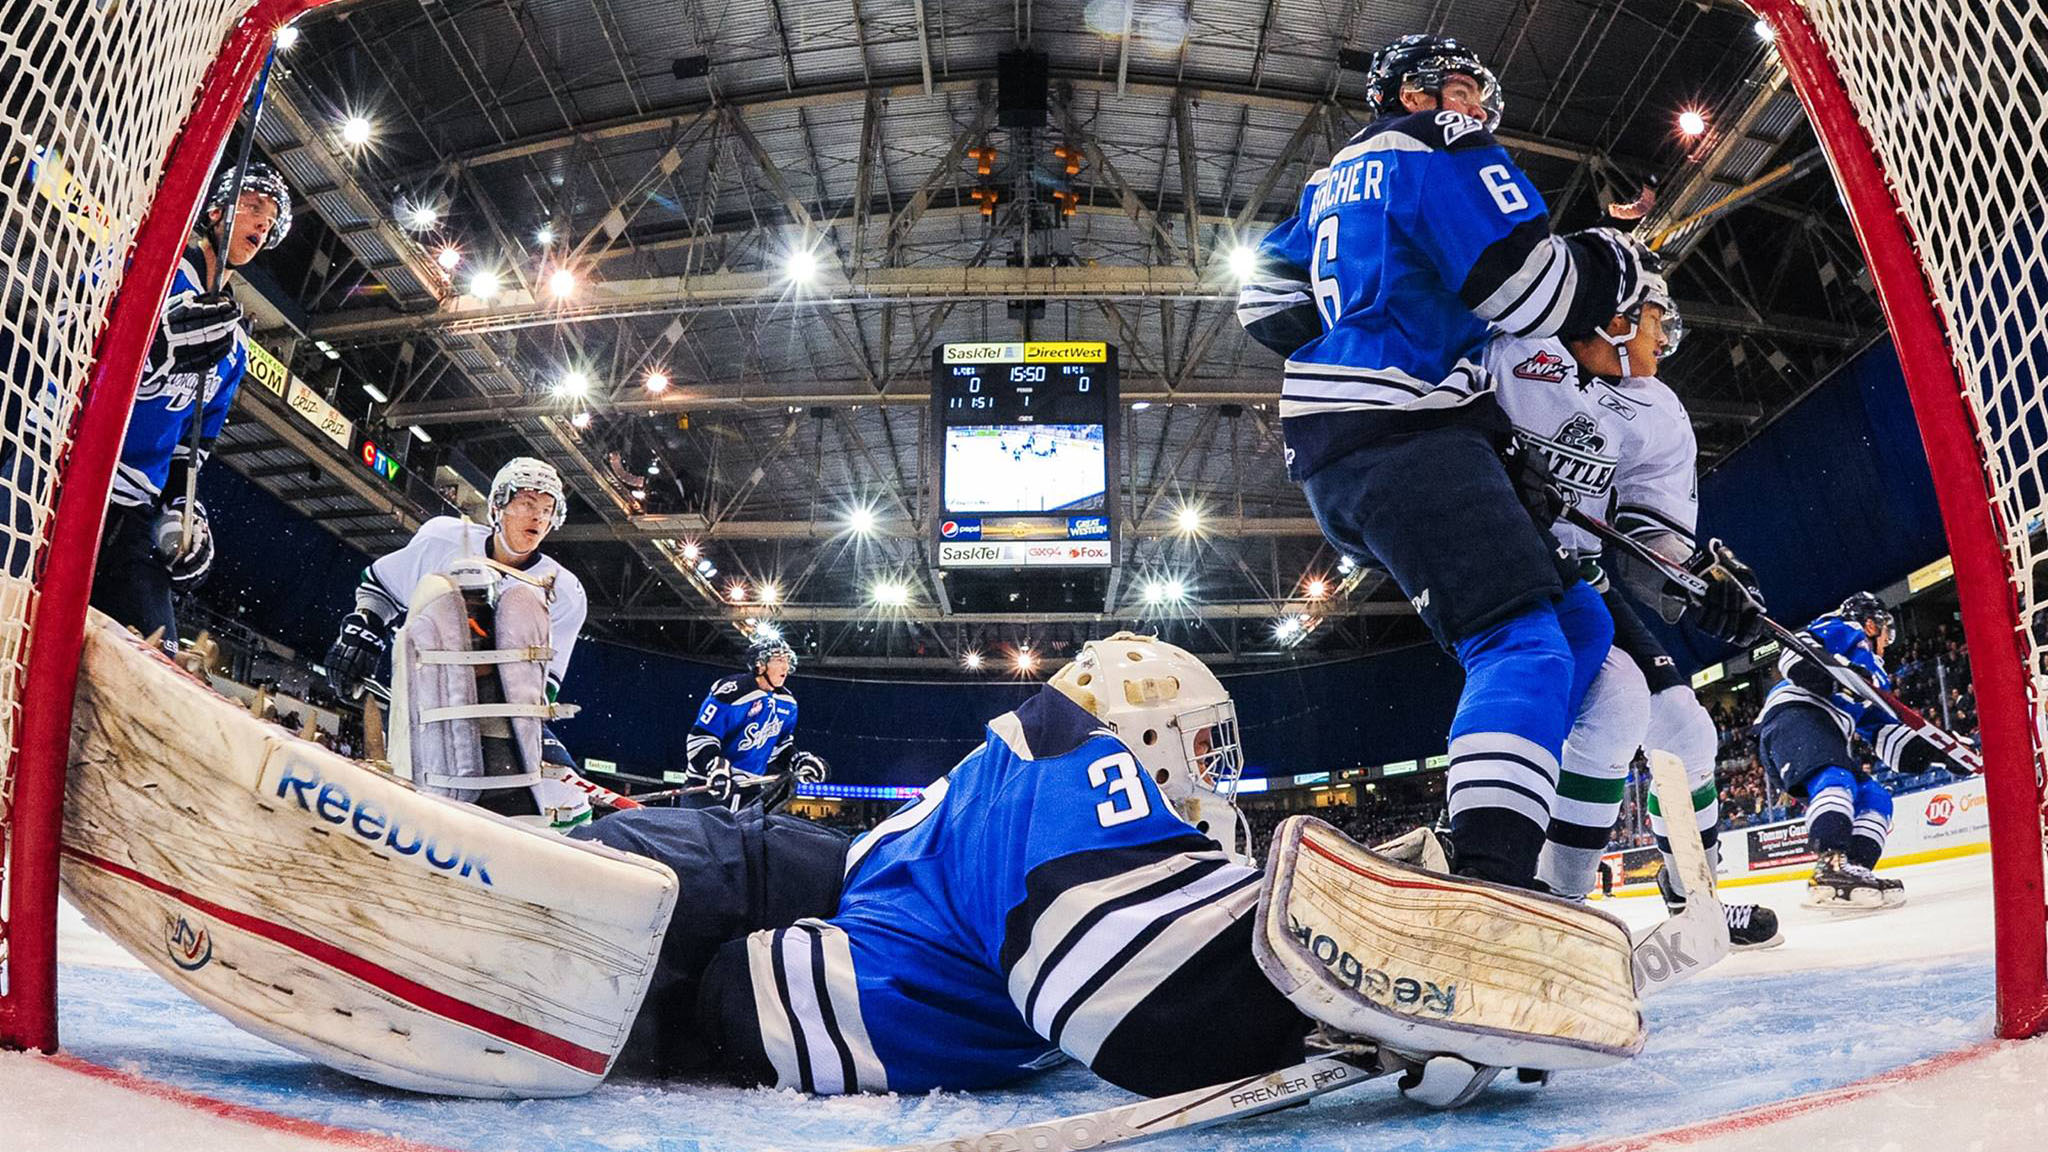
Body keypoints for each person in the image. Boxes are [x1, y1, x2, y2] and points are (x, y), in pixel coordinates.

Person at [579, 633, 1643, 1104]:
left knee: (680, 918)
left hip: (842, 906)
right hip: (818, 899)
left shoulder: (1043, 765)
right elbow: (1121, 983)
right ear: (1138, 732)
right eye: (1204, 746)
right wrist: (1363, 971)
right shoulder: (1066, 749)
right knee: (652, 887)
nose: (1217, 775)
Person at [1232, 33, 1684, 890]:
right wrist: (1612, 258)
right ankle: (1490, 883)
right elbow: (1529, 292)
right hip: (1407, 430)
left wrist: (1366, 315)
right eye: (1465, 86)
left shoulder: (1328, 180)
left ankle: (1495, 834)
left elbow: (1265, 304)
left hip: (1367, 440)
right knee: (1523, 649)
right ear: (1412, 92)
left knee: (1581, 627)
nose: (1477, 106)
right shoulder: (1444, 143)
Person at [1488, 291, 1780, 948]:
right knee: (1612, 705)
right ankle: (1558, 913)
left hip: (1581, 579)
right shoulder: (1509, 347)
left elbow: (1649, 536)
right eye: (1654, 321)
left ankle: (1692, 898)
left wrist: (1701, 581)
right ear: (1610, 317)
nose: (1666, 338)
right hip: (1496, 568)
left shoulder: (1658, 410)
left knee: (1688, 731)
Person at [323, 456, 601, 826]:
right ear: (497, 507)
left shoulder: (565, 592)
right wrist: (361, 631)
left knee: (566, 804)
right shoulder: (443, 539)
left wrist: (519, 726)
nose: (538, 518)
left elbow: (542, 687)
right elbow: (381, 588)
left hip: (499, 713)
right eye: (527, 504)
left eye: (547, 510)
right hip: (430, 696)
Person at [88, 162, 291, 654]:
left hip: (130, 513)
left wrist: (186, 511)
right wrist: (153, 350)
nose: (263, 225)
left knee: (161, 660)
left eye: (271, 220)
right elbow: (70, 339)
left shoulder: (234, 345)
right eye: (253, 206)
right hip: (59, 470)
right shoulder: (147, 261)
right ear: (217, 210)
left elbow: (190, 447)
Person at [1756, 593, 1967, 909]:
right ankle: (1831, 865)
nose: (1887, 640)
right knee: (1835, 776)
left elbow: (1889, 741)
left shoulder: (1875, 678)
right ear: (1871, 623)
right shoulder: (1844, 628)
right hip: (1795, 716)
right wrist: (1839, 675)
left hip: (1826, 731)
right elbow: (1793, 656)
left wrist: (1940, 752)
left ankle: (1851, 872)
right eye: (1886, 630)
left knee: (1875, 798)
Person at [679, 635, 828, 810]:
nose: (786, 667)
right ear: (760, 663)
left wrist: (798, 760)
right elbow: (702, 737)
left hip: (749, 793)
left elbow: (778, 748)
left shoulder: (788, 703)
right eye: (779, 659)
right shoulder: (732, 691)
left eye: (787, 660)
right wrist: (715, 767)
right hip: (708, 788)